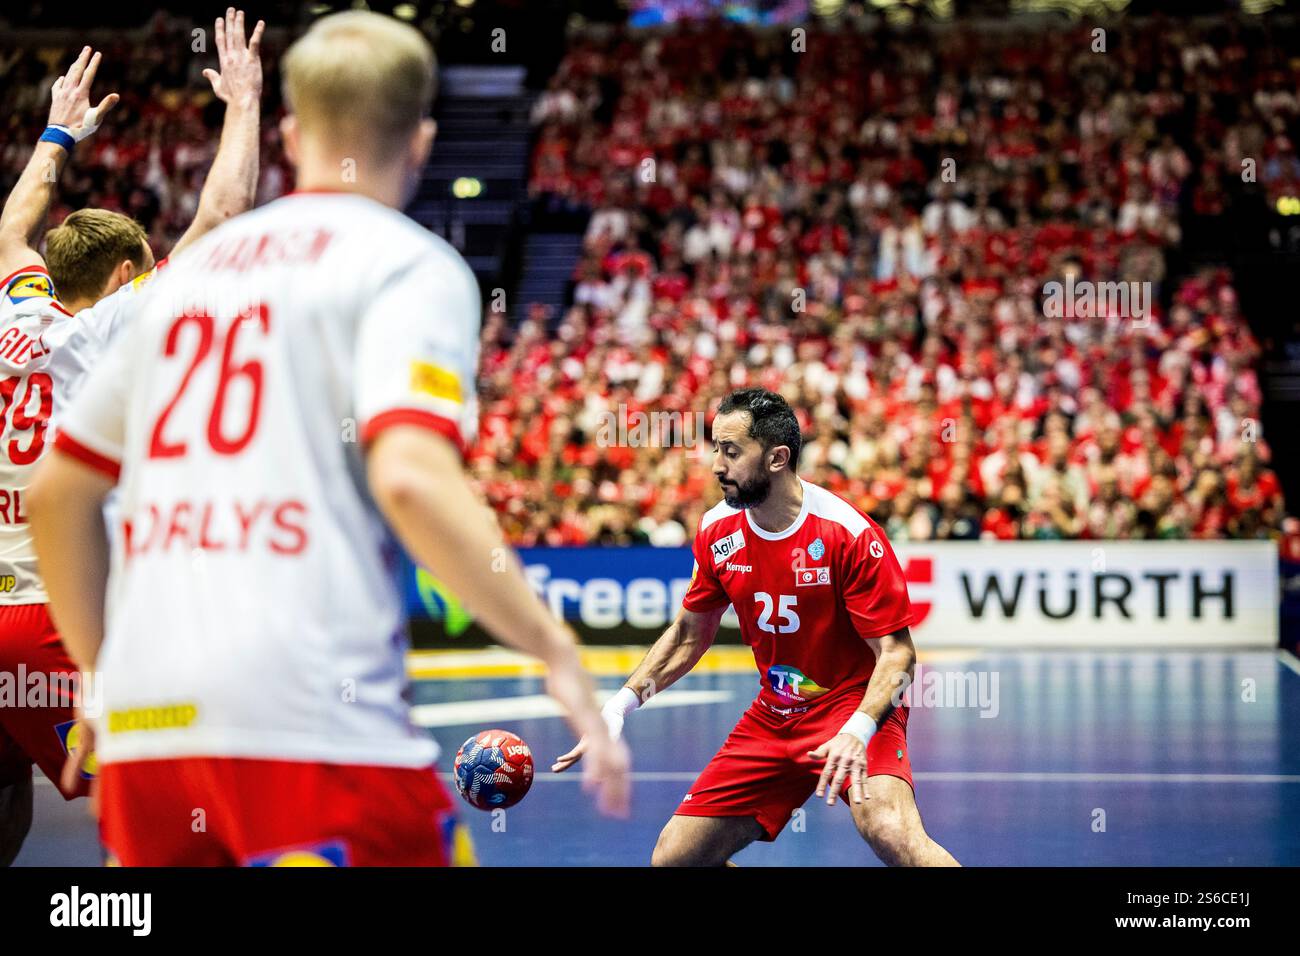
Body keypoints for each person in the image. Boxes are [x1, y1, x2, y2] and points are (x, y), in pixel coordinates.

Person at [27, 10, 628, 867]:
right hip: (312, 723)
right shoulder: (408, 264)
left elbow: (59, 491)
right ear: (420, 141)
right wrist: (555, 653)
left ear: (290, 131)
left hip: (149, 733)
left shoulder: (189, 277)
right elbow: (412, 478)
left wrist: (103, 671)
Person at [0, 10, 264, 865]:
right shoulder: (108, 330)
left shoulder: (14, 310)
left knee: (6, 812)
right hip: (57, 619)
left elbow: (11, 228)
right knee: (163, 827)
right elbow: (222, 213)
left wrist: (57, 133)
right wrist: (245, 104)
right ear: (123, 276)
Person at [554, 387, 958, 866]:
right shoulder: (717, 531)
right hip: (776, 711)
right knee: (674, 859)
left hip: (852, 703)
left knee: (890, 830)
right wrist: (618, 707)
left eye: (731, 451)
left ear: (777, 458)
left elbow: (896, 654)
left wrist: (858, 728)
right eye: (714, 448)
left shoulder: (846, 534)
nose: (715, 465)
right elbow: (689, 633)